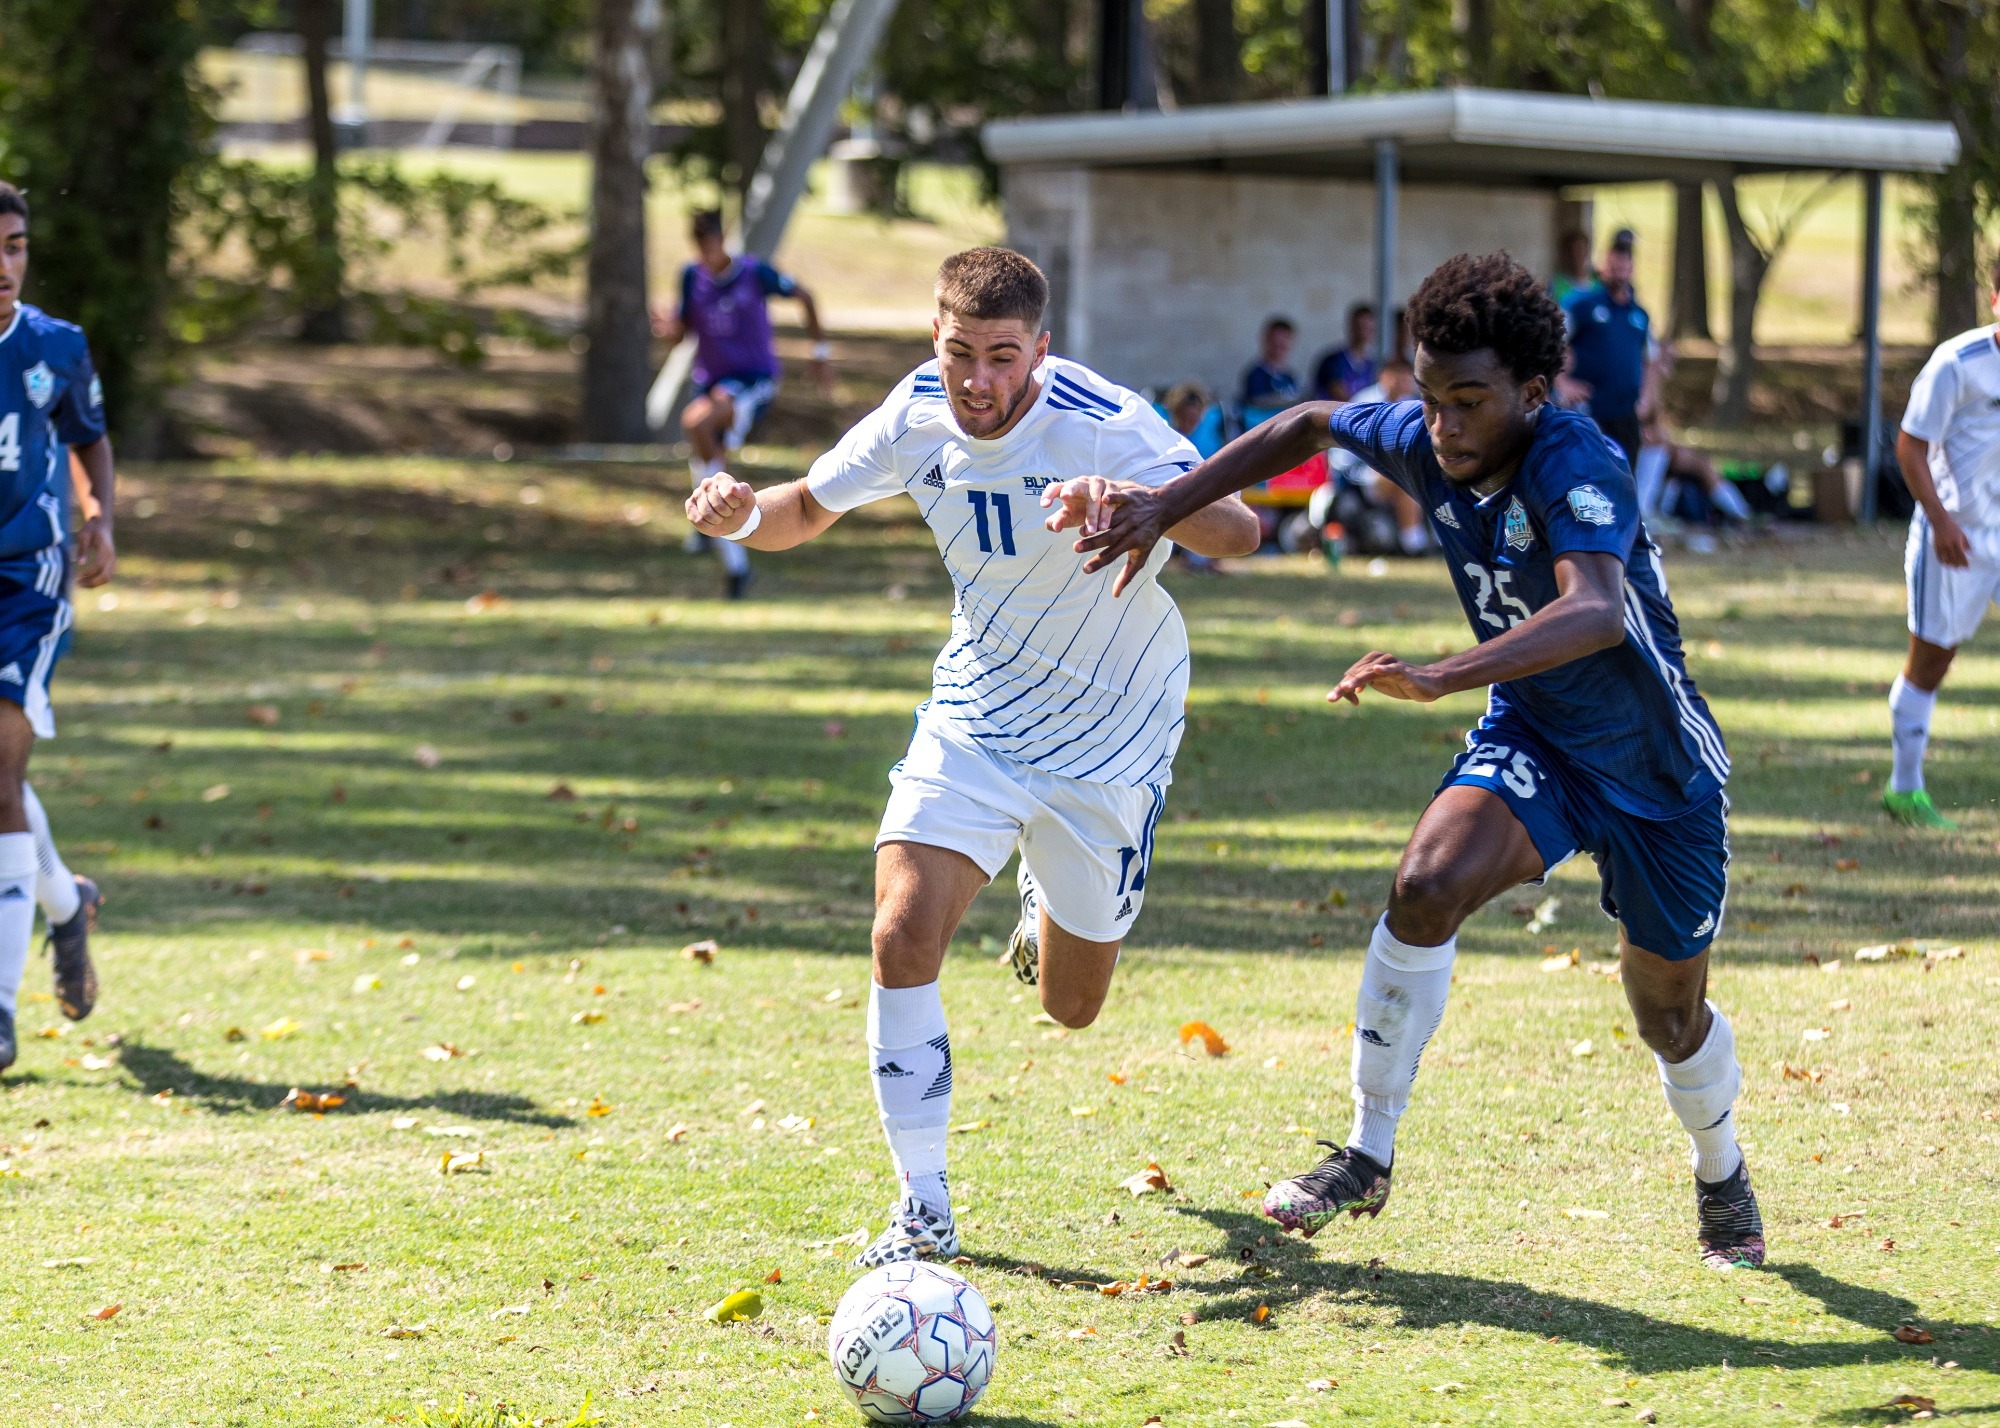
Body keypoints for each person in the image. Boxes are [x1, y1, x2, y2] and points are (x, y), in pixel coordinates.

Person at [1072, 252, 1764, 1273]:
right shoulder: (1428, 435)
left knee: (1667, 1016)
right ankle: (1365, 1152)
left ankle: (1720, 1170)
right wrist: (1165, 505)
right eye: (1427, 398)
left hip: (1657, 772)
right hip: (1536, 735)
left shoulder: (1573, 461)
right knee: (1423, 886)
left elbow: (1592, 610)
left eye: (1468, 403)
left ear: (1532, 394)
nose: (1440, 428)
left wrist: (1441, 674)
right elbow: (1308, 423)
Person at [684, 247, 1258, 1266]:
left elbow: (1242, 529)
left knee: (1072, 1010)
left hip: (1109, 733)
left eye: (1003, 356)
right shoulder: (911, 414)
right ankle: (922, 1206)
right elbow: (804, 509)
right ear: (933, 339)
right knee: (901, 933)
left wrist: (1143, 501)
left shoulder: (1103, 420)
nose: (978, 381)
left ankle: (1044, 901)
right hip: (979, 712)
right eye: (960, 353)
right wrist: (741, 512)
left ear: (1040, 349)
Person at [0, 183, 113, 1072]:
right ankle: (67, 906)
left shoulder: (54, 347)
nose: (5, 266)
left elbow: (89, 436)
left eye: (15, 246)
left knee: (0, 764)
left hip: (28, 579)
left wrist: (99, 516)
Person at [653, 209, 831, 600]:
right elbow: (682, 333)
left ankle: (707, 516)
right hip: (712, 383)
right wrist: (667, 329)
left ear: (722, 239)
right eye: (699, 245)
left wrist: (819, 352)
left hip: (752, 383)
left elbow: (806, 296)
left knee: (697, 424)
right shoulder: (691, 277)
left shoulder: (753, 273)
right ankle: (730, 557)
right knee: (708, 450)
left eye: (711, 242)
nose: (706, 252)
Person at [1882, 257, 2000, 830]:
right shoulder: (1957, 364)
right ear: (1996, 301)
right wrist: (1942, 520)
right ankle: (1905, 790)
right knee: (1932, 661)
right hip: (1953, 537)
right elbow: (1909, 447)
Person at [1558, 237, 1653, 470]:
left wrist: (1646, 397)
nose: (1618, 272)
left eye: (1623, 266)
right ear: (1603, 267)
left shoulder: (1639, 315)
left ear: (1631, 269)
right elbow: (1552, 342)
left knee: (1625, 475)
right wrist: (1562, 383)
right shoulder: (1582, 305)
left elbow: (1650, 360)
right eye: (1613, 266)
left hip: (1625, 411)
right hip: (1590, 409)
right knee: (1591, 474)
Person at [1336, 357, 1429, 555]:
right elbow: (1342, 456)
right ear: (1384, 377)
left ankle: (1429, 541)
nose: (1404, 382)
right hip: (1356, 478)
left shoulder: (1410, 404)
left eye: (1407, 376)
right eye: (1398, 376)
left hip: (1391, 471)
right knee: (1402, 476)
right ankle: (1414, 546)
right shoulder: (1366, 403)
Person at [1239, 317, 1301, 427]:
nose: (1279, 347)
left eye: (1283, 344)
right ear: (1265, 340)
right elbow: (1255, 402)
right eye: (1275, 343)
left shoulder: (1289, 376)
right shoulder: (1255, 375)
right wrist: (1284, 400)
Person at [1313, 304, 1380, 402]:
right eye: (1360, 327)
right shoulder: (1333, 361)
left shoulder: (1372, 365)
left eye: (1368, 328)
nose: (1363, 332)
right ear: (1350, 327)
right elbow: (1338, 393)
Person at [1550, 229, 1599, 306]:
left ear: (1587, 251)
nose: (1576, 256)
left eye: (1580, 250)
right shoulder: (1556, 284)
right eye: (1571, 251)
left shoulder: (1599, 282)